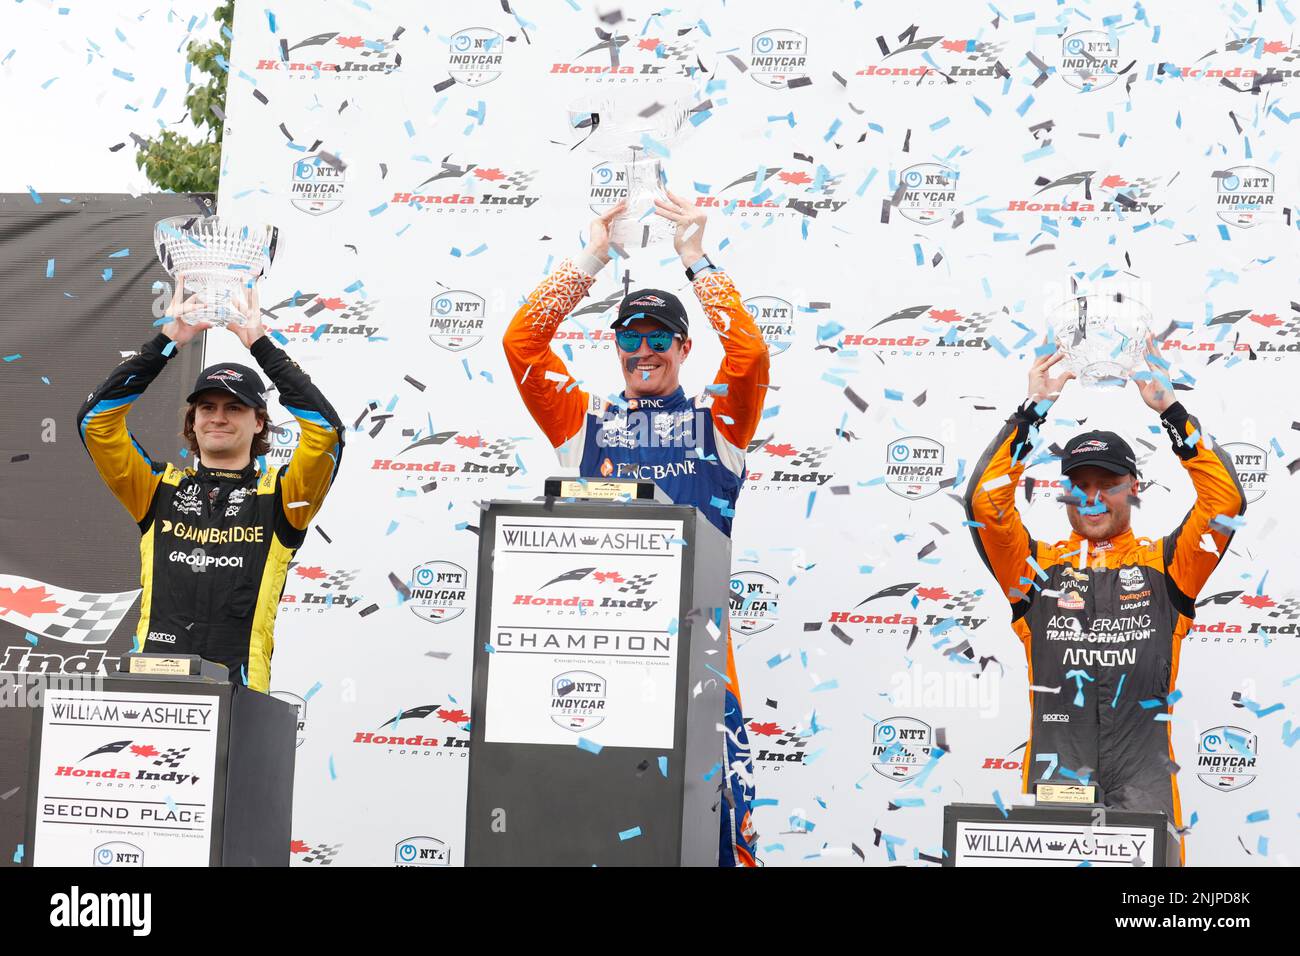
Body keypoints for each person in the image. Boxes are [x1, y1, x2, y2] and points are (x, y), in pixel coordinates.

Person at [502, 192, 770, 866]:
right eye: (630, 337)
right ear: (615, 345)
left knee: (718, 836)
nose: (643, 350)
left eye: (658, 339)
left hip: (704, 664)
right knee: (606, 832)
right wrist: (593, 254)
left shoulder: (720, 425)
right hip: (606, 659)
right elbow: (521, 344)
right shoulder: (582, 423)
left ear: (683, 348)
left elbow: (751, 356)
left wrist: (695, 260)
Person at [964, 340, 1246, 863]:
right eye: (1080, 484)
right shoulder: (1034, 572)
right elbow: (985, 503)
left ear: (1133, 488)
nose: (1092, 496)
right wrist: (1032, 413)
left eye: (1108, 483)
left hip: (1144, 782)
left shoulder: (1170, 569)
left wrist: (1171, 411)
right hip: (1058, 779)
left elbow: (1225, 501)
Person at [76, 277, 345, 692]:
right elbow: (96, 423)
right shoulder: (156, 489)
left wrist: (259, 344)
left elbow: (326, 432)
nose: (218, 417)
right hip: (152, 684)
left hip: (240, 693)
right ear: (193, 420)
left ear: (258, 422)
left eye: (234, 407)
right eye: (207, 406)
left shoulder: (283, 497)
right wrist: (168, 341)